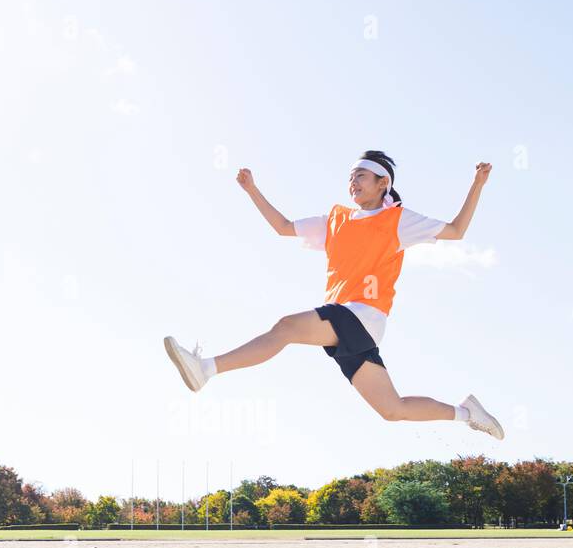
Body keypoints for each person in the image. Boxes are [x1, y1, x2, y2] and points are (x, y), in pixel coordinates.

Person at [164, 150, 503, 439]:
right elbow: (283, 227)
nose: (353, 182)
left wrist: (477, 185)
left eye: (362, 176)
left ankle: (206, 368)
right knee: (392, 409)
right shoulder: (336, 220)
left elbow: (457, 231)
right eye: (351, 176)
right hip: (350, 321)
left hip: (363, 314)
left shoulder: (397, 220)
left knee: (286, 328)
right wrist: (252, 189)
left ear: (383, 183)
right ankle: (467, 413)